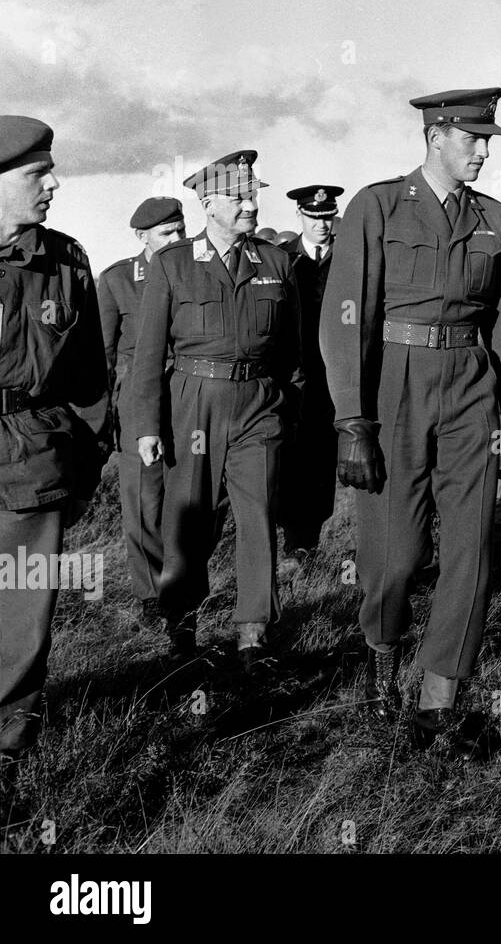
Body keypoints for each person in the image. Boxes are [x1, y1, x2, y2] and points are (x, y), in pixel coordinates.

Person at [320, 88, 501, 758]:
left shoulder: (495, 219)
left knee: (472, 545)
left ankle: (440, 700)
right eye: (475, 139)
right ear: (437, 135)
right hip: (395, 385)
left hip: (471, 385)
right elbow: (346, 316)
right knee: (397, 555)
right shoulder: (376, 207)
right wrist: (352, 418)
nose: (486, 151)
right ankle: (383, 659)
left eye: (489, 139)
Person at [133, 151, 303, 671]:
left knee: (259, 517)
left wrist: (287, 407)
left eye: (254, 196)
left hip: (259, 404)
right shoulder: (173, 263)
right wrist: (146, 424)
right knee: (190, 517)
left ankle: (253, 635)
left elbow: (293, 350)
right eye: (240, 197)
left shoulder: (275, 262)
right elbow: (148, 353)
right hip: (194, 405)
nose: (252, 205)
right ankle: (181, 625)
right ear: (210, 205)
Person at [0, 116, 112, 763]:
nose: (54, 183)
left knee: (22, 623)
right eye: (37, 173)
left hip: (34, 459)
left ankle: (7, 758)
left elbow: (90, 379)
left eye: (51, 169)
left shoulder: (65, 261)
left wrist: (87, 459)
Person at [97, 197, 187, 622]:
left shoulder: (193, 269)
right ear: (141, 236)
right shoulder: (117, 281)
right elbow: (104, 356)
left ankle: (182, 583)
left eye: (181, 231)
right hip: (137, 401)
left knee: (185, 493)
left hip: (186, 396)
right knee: (143, 500)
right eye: (167, 234)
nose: (177, 240)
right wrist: (106, 419)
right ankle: (150, 594)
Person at [278, 184, 344, 565]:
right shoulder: (283, 259)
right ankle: (290, 541)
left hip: (334, 376)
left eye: (327, 217)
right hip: (293, 375)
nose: (322, 224)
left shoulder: (349, 257)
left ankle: (307, 544)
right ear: (300, 217)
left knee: (322, 458)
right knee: (291, 457)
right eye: (314, 217)